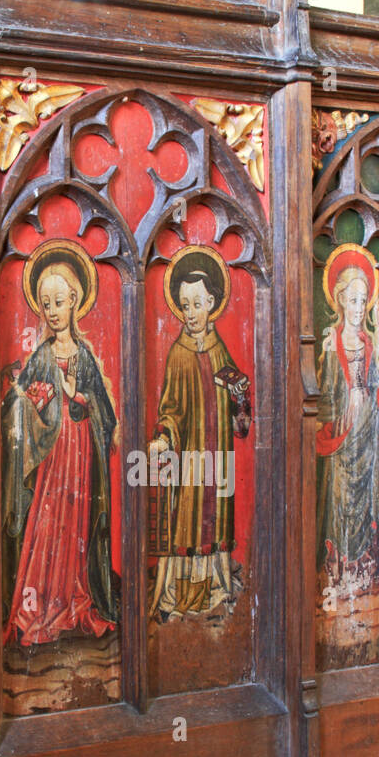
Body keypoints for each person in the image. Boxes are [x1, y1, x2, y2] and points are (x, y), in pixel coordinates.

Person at [2, 239, 118, 645]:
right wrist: (26, 400)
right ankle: (42, 603)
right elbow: (19, 396)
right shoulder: (42, 355)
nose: (51, 311)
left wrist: (78, 396)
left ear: (74, 302)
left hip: (80, 452)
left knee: (76, 525)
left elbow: (103, 411)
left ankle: (73, 599)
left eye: (58, 302)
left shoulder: (84, 355)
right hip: (51, 455)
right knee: (47, 521)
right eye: (44, 304)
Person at [148, 245, 252, 620]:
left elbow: (238, 409)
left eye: (197, 303)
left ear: (211, 303)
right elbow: (171, 408)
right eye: (184, 305)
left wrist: (239, 399)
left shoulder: (219, 349)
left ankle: (215, 587)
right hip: (191, 456)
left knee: (215, 517)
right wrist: (165, 436)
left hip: (217, 452)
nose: (191, 313)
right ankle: (180, 593)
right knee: (187, 517)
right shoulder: (177, 354)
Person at [316, 246, 379, 592]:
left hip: (369, 431)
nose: (359, 309)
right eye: (353, 301)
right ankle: (343, 565)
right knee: (343, 499)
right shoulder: (332, 341)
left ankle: (366, 562)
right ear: (340, 302)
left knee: (368, 497)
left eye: (364, 302)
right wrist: (341, 410)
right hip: (344, 434)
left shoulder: (372, 341)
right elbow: (327, 391)